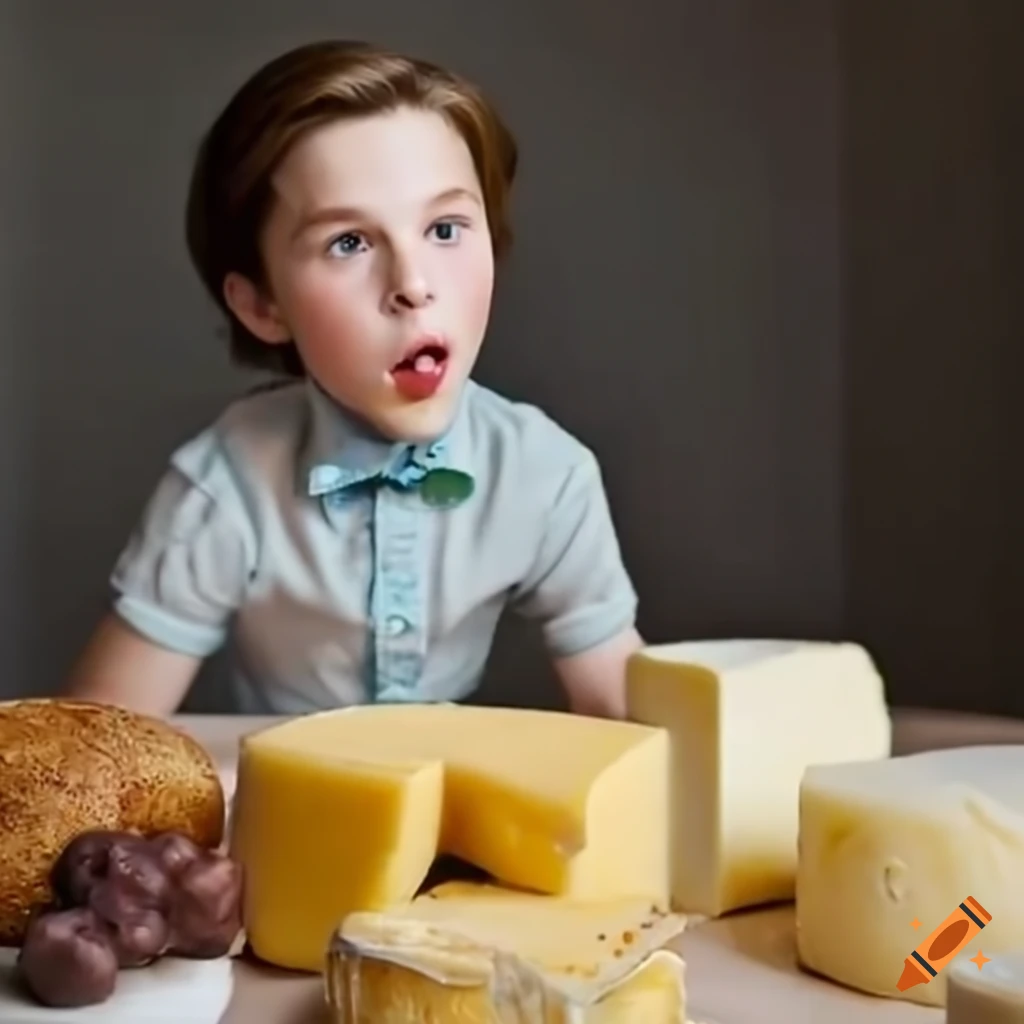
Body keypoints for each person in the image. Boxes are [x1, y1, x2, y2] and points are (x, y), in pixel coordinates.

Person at [65, 39, 642, 719]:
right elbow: (101, 744)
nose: (413, 285)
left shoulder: (548, 475)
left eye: (446, 228)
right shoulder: (224, 488)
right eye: (349, 243)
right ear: (261, 305)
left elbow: (624, 719)